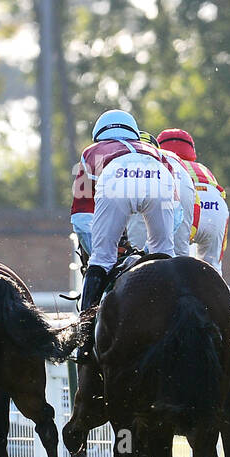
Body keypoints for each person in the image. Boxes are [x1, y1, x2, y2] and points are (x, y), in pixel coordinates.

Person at [71, 110, 176, 319]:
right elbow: (177, 214)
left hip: (115, 178)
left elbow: (81, 218)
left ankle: (83, 331)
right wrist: (147, 252)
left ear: (98, 135)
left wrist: (105, 253)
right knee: (165, 253)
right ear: (134, 133)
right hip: (159, 176)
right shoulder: (156, 151)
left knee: (101, 258)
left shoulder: (92, 151)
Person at [159, 128, 229, 270]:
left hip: (186, 202)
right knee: (212, 270)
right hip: (215, 207)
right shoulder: (202, 168)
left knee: (175, 265)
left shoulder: (164, 163)